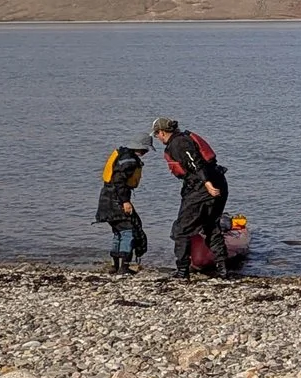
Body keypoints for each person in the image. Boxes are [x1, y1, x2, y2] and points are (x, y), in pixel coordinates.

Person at [153, 118, 230, 278]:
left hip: (202, 189)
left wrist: (207, 184)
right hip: (218, 183)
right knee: (211, 226)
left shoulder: (178, 143)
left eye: (157, 135)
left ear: (162, 132)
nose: (158, 138)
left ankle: (182, 270)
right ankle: (222, 268)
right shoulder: (183, 139)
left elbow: (195, 162)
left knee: (181, 229)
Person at [96, 143, 150, 274]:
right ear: (140, 148)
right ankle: (124, 267)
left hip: (105, 199)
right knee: (128, 231)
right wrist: (125, 201)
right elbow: (119, 182)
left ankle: (114, 266)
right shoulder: (130, 161)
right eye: (146, 149)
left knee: (118, 232)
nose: (146, 152)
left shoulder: (121, 155)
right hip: (116, 201)